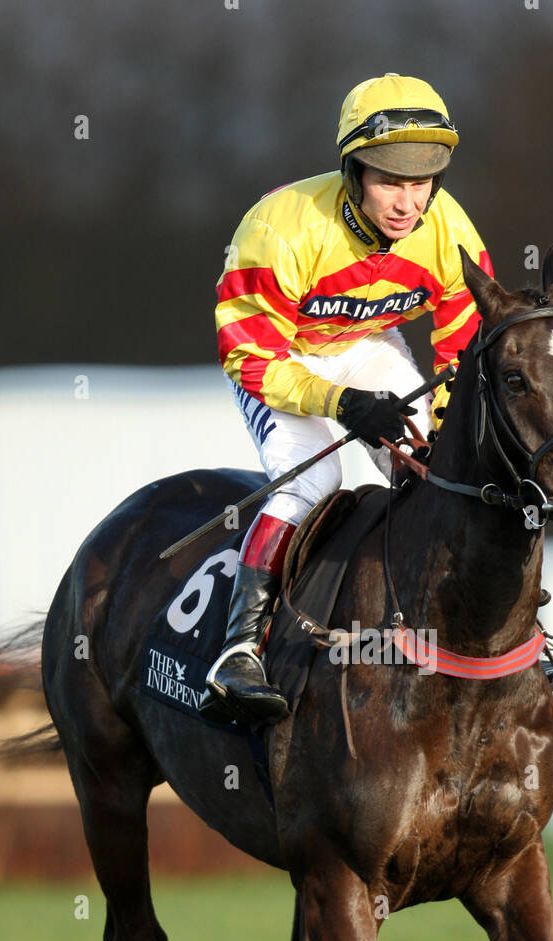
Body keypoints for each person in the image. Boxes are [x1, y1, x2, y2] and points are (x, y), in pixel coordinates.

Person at [203, 73, 492, 723]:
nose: (406, 203)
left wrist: (436, 438)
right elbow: (249, 357)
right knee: (314, 480)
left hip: (364, 342)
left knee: (439, 473)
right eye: (389, 180)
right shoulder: (279, 230)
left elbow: (462, 345)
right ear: (352, 171)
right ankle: (239, 647)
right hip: (278, 357)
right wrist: (340, 403)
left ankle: (475, 629)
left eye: (421, 183)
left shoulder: (449, 232)